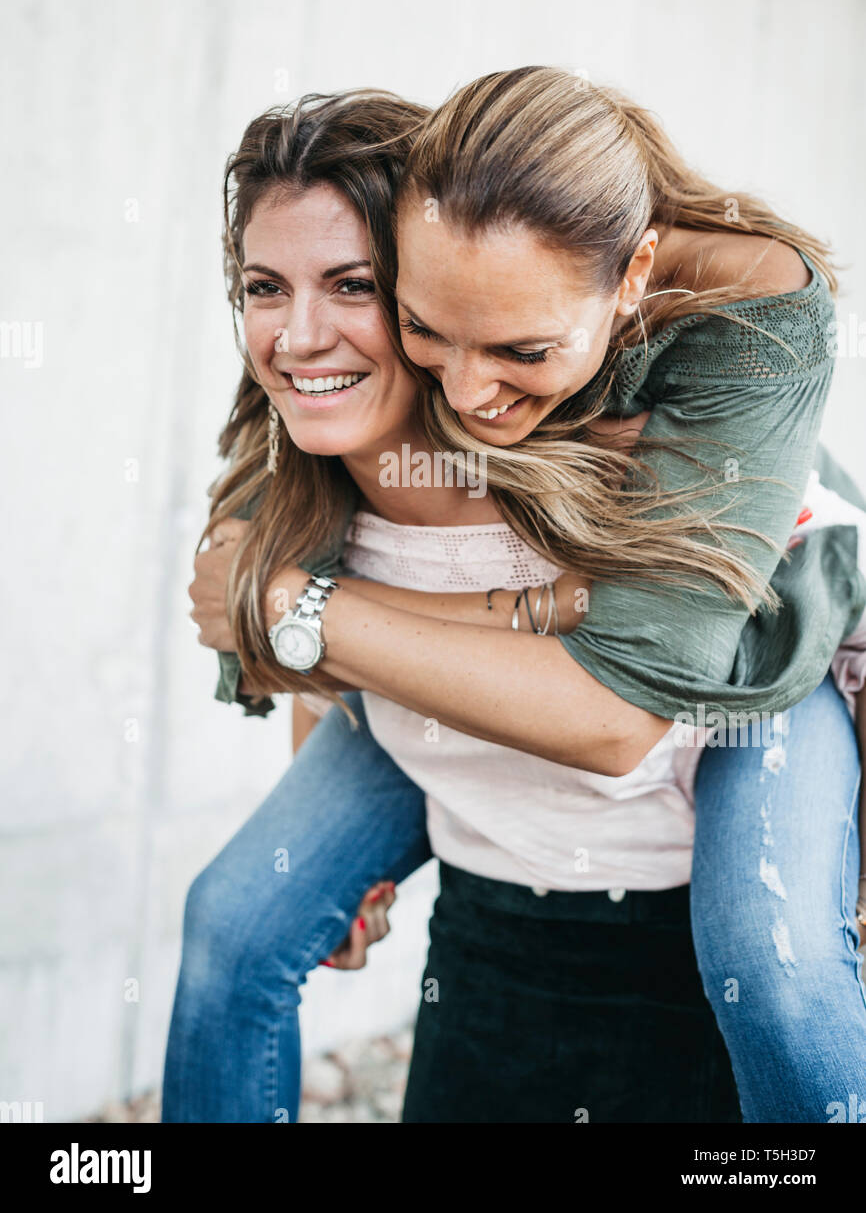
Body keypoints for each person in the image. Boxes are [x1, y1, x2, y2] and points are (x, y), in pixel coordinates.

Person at [173, 74, 866, 1122]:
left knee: (775, 965)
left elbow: (614, 706)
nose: (302, 334)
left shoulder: (603, 421)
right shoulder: (314, 440)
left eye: (351, 285)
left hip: (759, 660)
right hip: (485, 708)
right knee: (231, 921)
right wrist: (300, 626)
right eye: (264, 287)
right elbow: (333, 615)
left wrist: (292, 613)